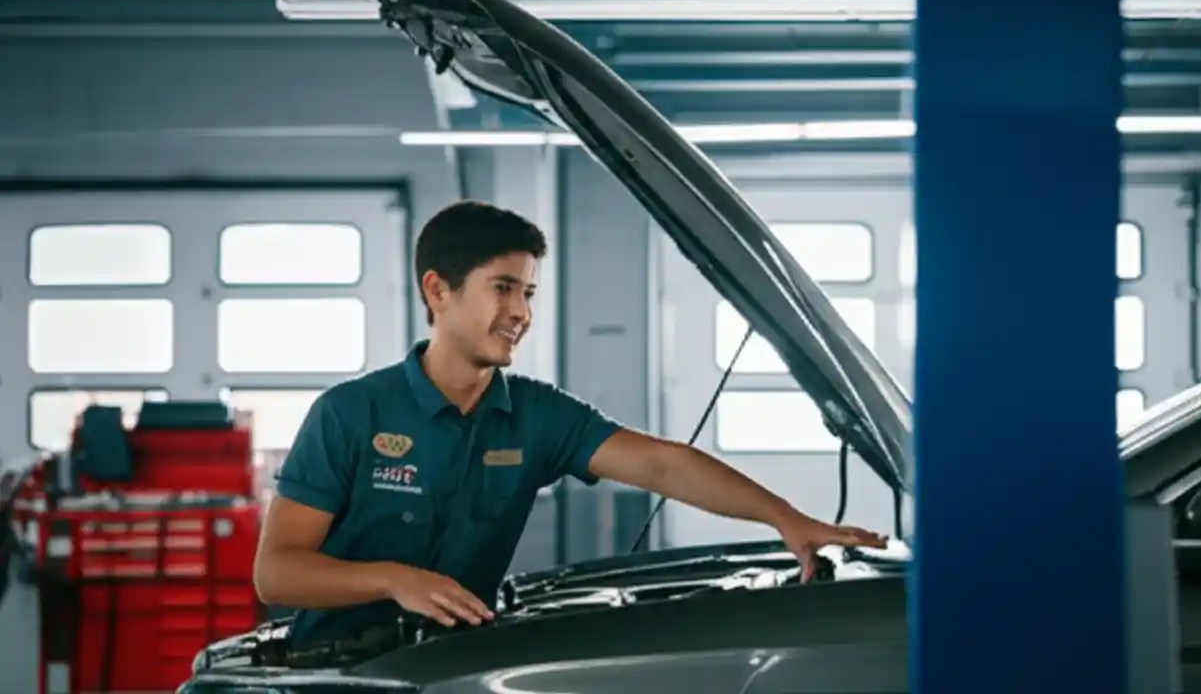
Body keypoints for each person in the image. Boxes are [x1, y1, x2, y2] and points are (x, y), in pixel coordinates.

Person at [253, 200, 888, 645]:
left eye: (528, 292)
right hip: (340, 670)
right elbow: (277, 573)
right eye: (502, 288)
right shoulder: (351, 414)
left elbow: (664, 464)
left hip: (453, 668)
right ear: (438, 290)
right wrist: (395, 580)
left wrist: (788, 520)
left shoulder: (535, 414)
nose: (521, 312)